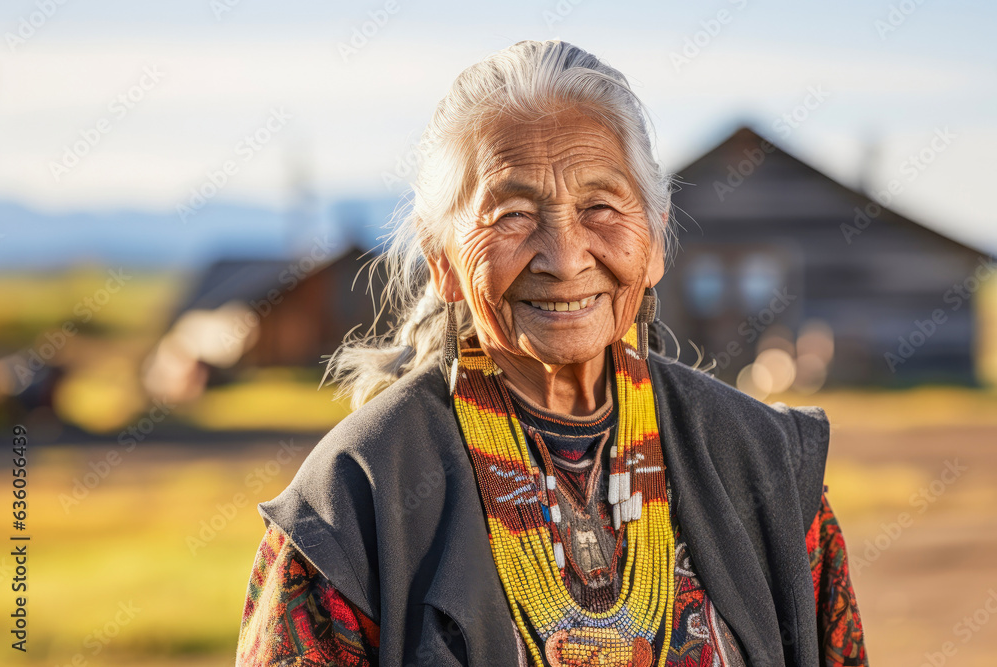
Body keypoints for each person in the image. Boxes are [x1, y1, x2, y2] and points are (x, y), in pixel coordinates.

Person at [235, 40, 868, 667]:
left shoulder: (767, 465)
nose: (564, 259)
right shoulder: (353, 503)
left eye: (599, 206)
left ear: (654, 242)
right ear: (443, 261)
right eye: (511, 213)